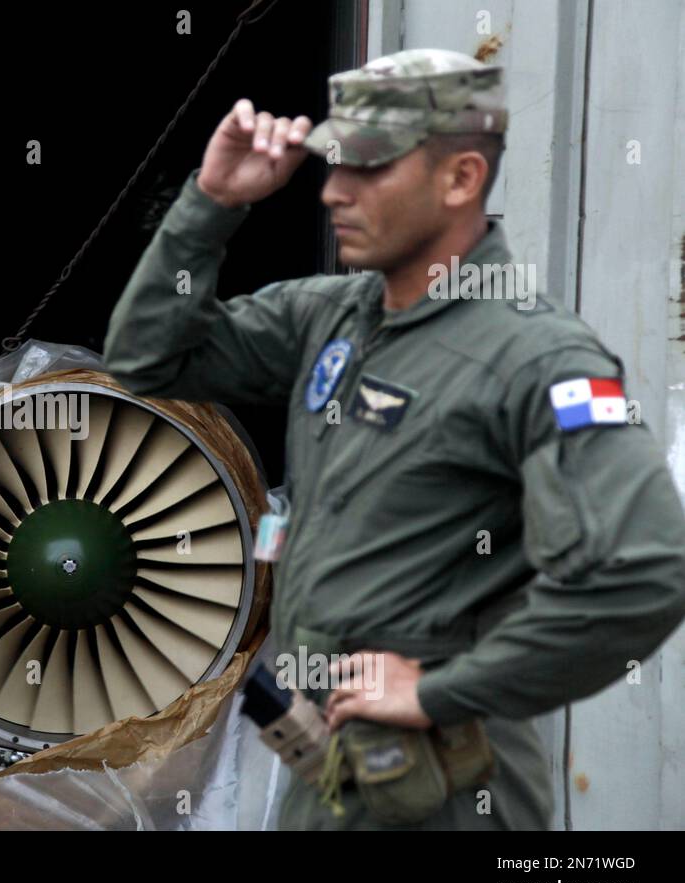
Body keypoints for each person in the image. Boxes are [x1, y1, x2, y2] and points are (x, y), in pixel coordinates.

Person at [103, 48, 685, 829]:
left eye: (369, 168)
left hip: (446, 788)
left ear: (461, 179)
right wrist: (211, 202)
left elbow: (648, 571)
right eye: (335, 165)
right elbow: (147, 357)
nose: (336, 192)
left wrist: (441, 689)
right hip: (329, 770)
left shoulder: (537, 358)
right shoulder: (331, 316)